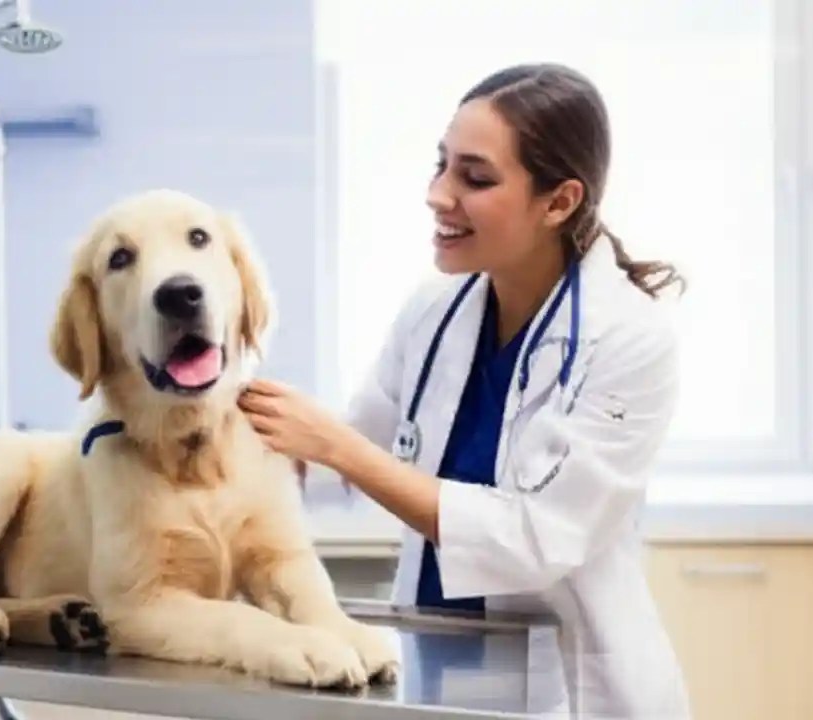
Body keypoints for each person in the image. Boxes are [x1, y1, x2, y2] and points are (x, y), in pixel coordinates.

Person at [238, 63, 692, 718]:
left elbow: (535, 539)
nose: (438, 194)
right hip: (441, 662)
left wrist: (334, 446)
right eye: (441, 165)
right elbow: (330, 459)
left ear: (558, 202)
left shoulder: (628, 338)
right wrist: (219, 423)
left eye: (475, 177)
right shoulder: (434, 311)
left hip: (568, 684)